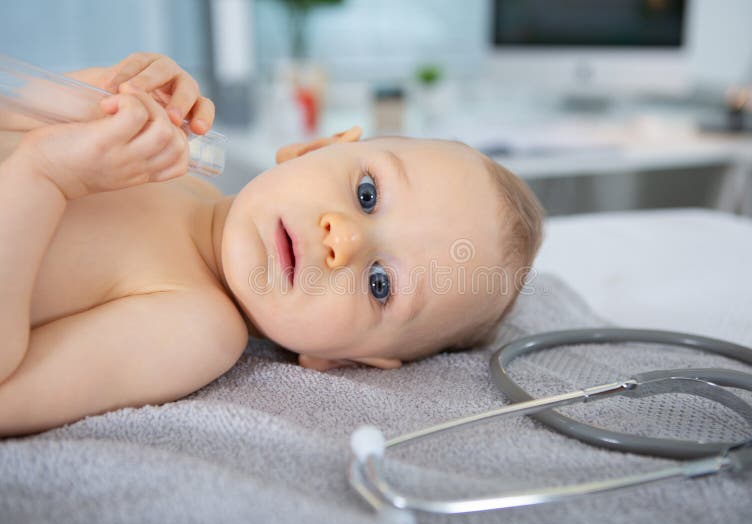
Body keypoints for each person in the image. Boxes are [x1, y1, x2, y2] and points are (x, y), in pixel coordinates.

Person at [0, 53, 544, 436]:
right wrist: (100, 96)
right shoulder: (171, 168)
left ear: (347, 360)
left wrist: (42, 176)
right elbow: (13, 117)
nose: (345, 239)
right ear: (312, 147)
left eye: (382, 284)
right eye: (367, 192)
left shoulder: (197, 327)